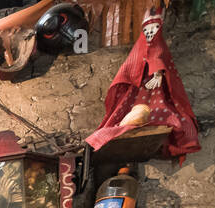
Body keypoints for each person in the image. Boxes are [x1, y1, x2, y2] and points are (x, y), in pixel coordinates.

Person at [85, 9, 199, 161]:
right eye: (147, 30)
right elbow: (132, 65)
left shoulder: (158, 45)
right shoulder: (141, 46)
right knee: (126, 115)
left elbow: (157, 55)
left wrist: (158, 72)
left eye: (154, 29)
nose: (151, 33)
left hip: (156, 94)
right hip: (139, 91)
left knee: (171, 116)